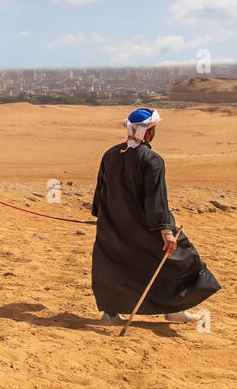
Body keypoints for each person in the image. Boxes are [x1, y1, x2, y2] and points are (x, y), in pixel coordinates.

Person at [90, 107, 221, 323]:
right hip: (145, 228)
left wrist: (100, 216)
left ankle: (114, 313)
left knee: (116, 265)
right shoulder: (152, 160)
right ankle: (175, 308)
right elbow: (156, 199)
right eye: (153, 128)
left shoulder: (111, 154)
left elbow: (101, 191)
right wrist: (166, 231)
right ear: (147, 132)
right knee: (183, 259)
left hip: (114, 228)